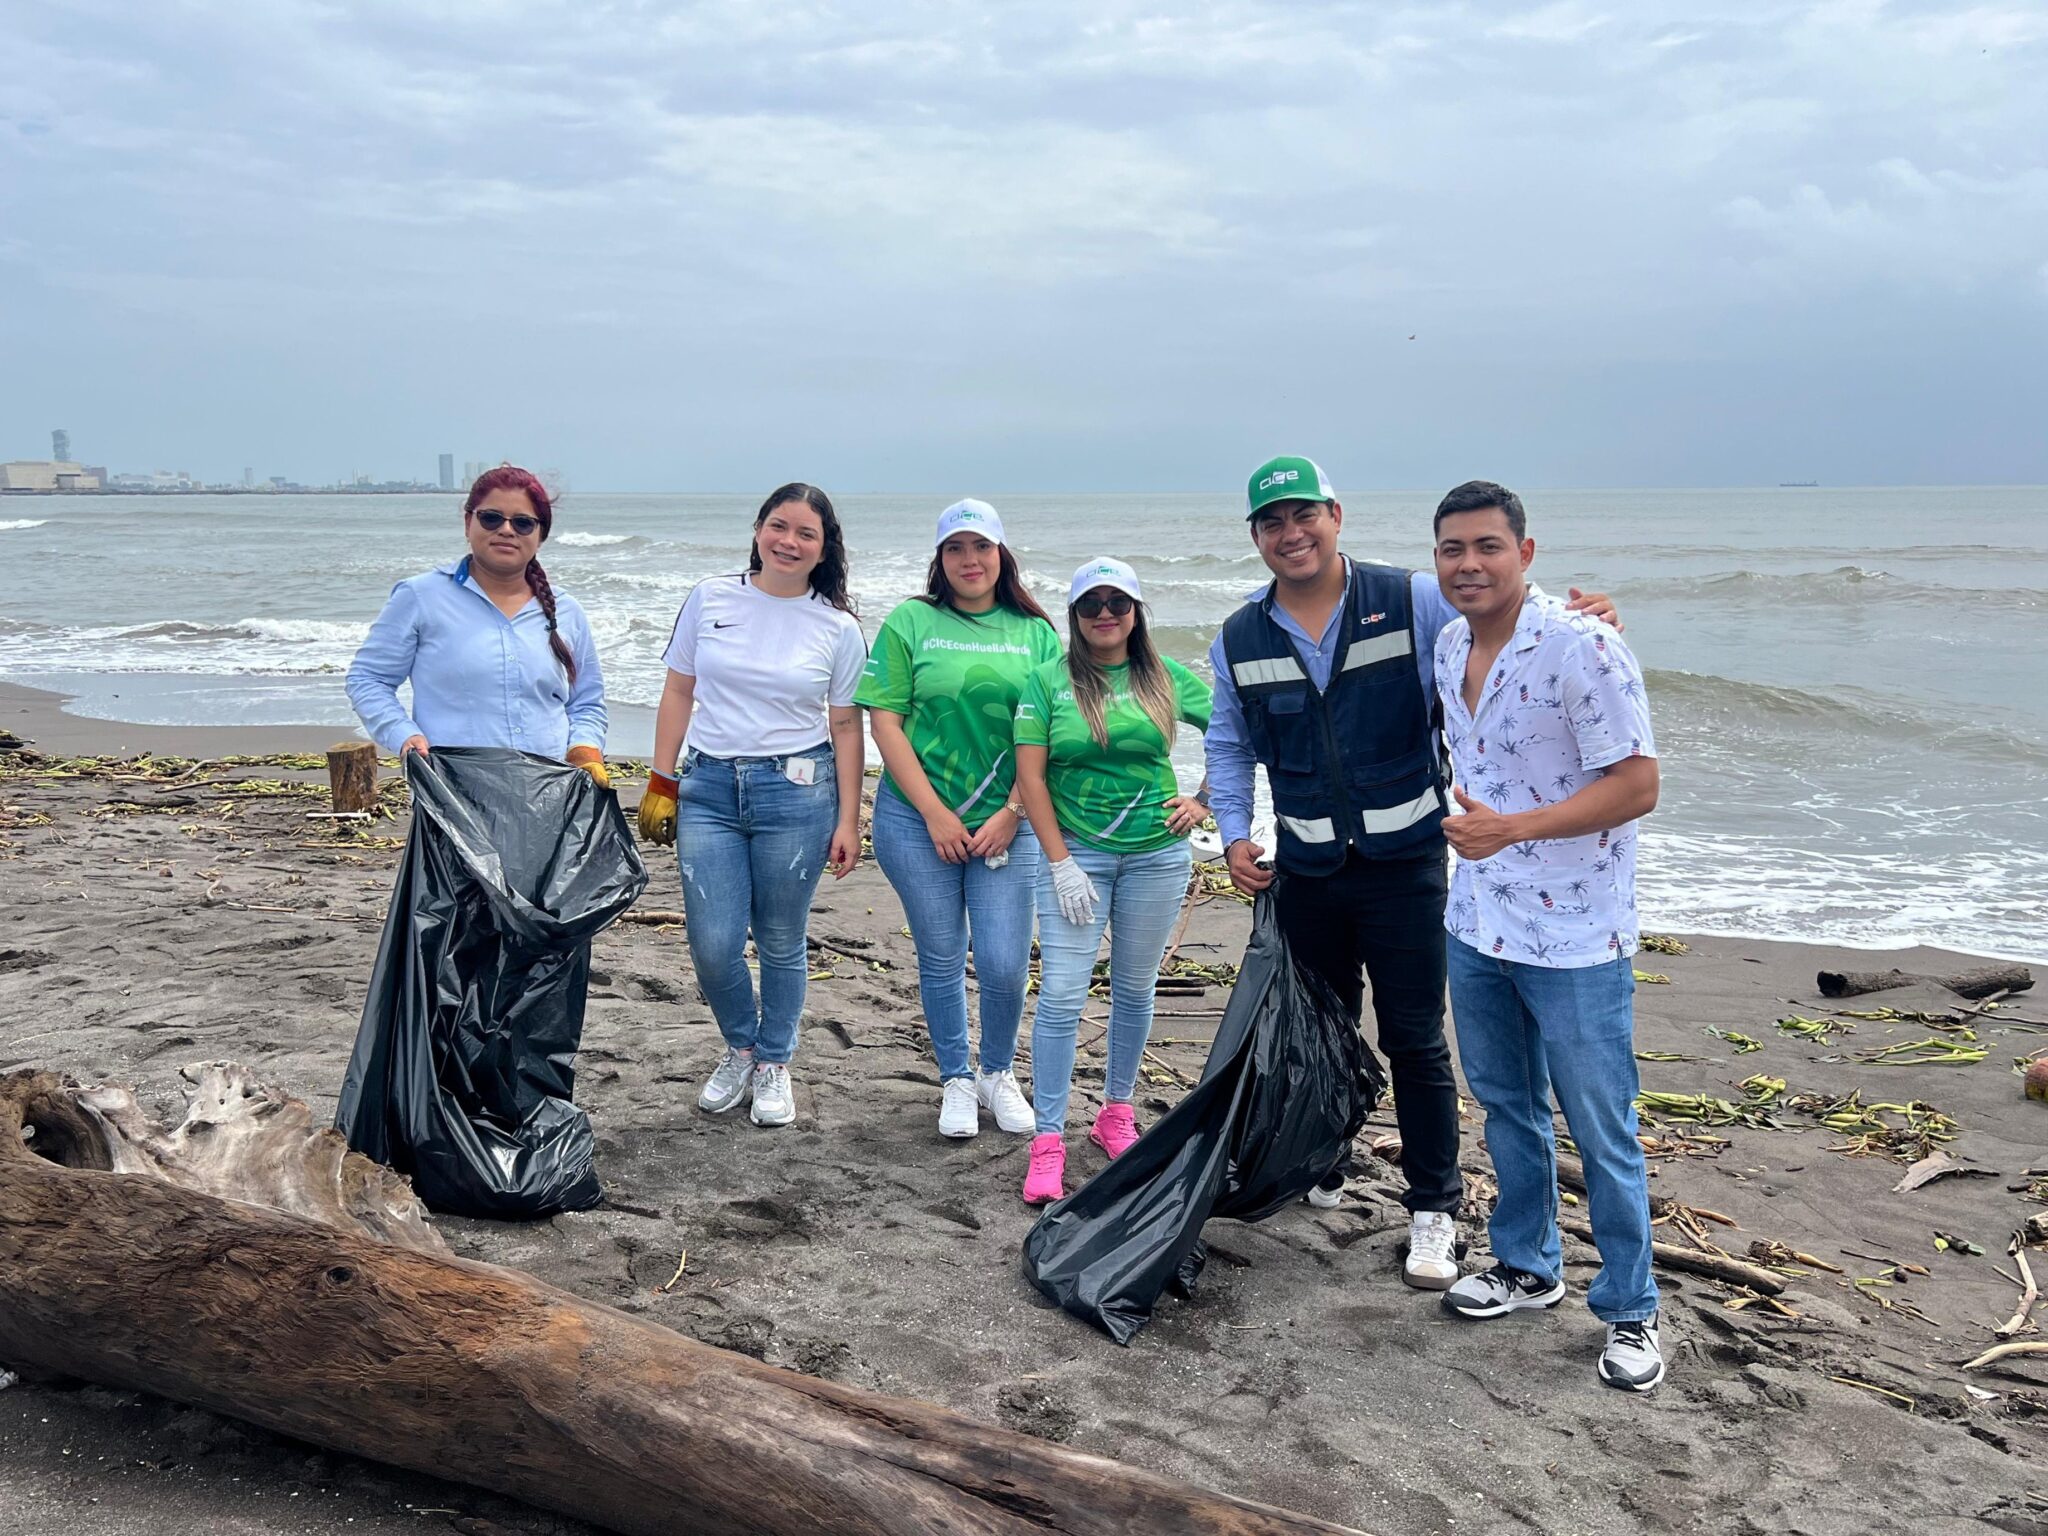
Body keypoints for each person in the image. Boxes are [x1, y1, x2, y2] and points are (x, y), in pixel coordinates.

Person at [1203, 456, 1620, 1290]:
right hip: (1307, 871)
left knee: (1415, 1042)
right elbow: (1228, 742)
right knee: (1319, 1030)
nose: (1292, 534)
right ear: (1256, 537)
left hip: (1407, 870)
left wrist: (1590, 623)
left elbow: (1500, 632)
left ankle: (1434, 1207)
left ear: (1336, 515)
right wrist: (1232, 833)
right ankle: (1323, 1156)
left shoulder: (1411, 599)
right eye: (1273, 522)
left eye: (1304, 515)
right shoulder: (1239, 637)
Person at [1427, 479, 1664, 1393]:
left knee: (1603, 1127)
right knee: (1506, 1105)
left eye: (1488, 546)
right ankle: (1528, 1264)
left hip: (1576, 935)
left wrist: (1514, 831)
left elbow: (1638, 785)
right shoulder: (1451, 644)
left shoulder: (1584, 647)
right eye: (1453, 549)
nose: (1469, 563)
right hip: (1479, 919)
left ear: (1526, 554)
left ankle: (1633, 1307)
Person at [635, 484, 866, 1130]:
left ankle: (773, 1063)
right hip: (708, 788)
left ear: (824, 549)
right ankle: (740, 1044)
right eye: (779, 526)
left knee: (781, 938)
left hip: (797, 793)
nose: (789, 542)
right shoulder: (711, 598)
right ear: (760, 529)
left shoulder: (839, 627)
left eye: (806, 534)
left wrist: (850, 817)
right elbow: (679, 690)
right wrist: (661, 780)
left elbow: (846, 727)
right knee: (712, 942)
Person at [859, 499, 1062, 1139]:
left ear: (1002, 555)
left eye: (981, 547)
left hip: (1011, 822)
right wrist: (936, 815)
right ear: (939, 559)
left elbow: (1053, 733)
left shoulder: (1037, 633)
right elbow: (884, 721)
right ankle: (954, 1076)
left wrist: (1012, 812)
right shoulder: (912, 622)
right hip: (916, 820)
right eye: (955, 549)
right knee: (942, 954)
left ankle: (997, 1073)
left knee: (1003, 961)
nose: (969, 561)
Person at [1013, 557, 1212, 1204]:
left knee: (1134, 988)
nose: (1105, 613)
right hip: (1080, 857)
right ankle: (1048, 1138)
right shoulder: (1047, 682)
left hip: (1158, 856)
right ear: (1073, 615)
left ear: (1136, 611)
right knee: (1064, 995)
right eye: (1091, 603)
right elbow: (1032, 778)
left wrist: (1207, 801)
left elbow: (1242, 731)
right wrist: (1061, 862)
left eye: (1117, 602)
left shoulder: (1166, 677)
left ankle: (1115, 1115)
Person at [346, 464, 608, 782]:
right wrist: (403, 735)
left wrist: (585, 751)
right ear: (469, 522)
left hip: (551, 794)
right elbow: (368, 679)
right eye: (492, 518)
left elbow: (587, 702)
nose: (507, 530)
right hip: (451, 793)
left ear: (540, 536)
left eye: (523, 523)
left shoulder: (567, 611)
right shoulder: (420, 596)